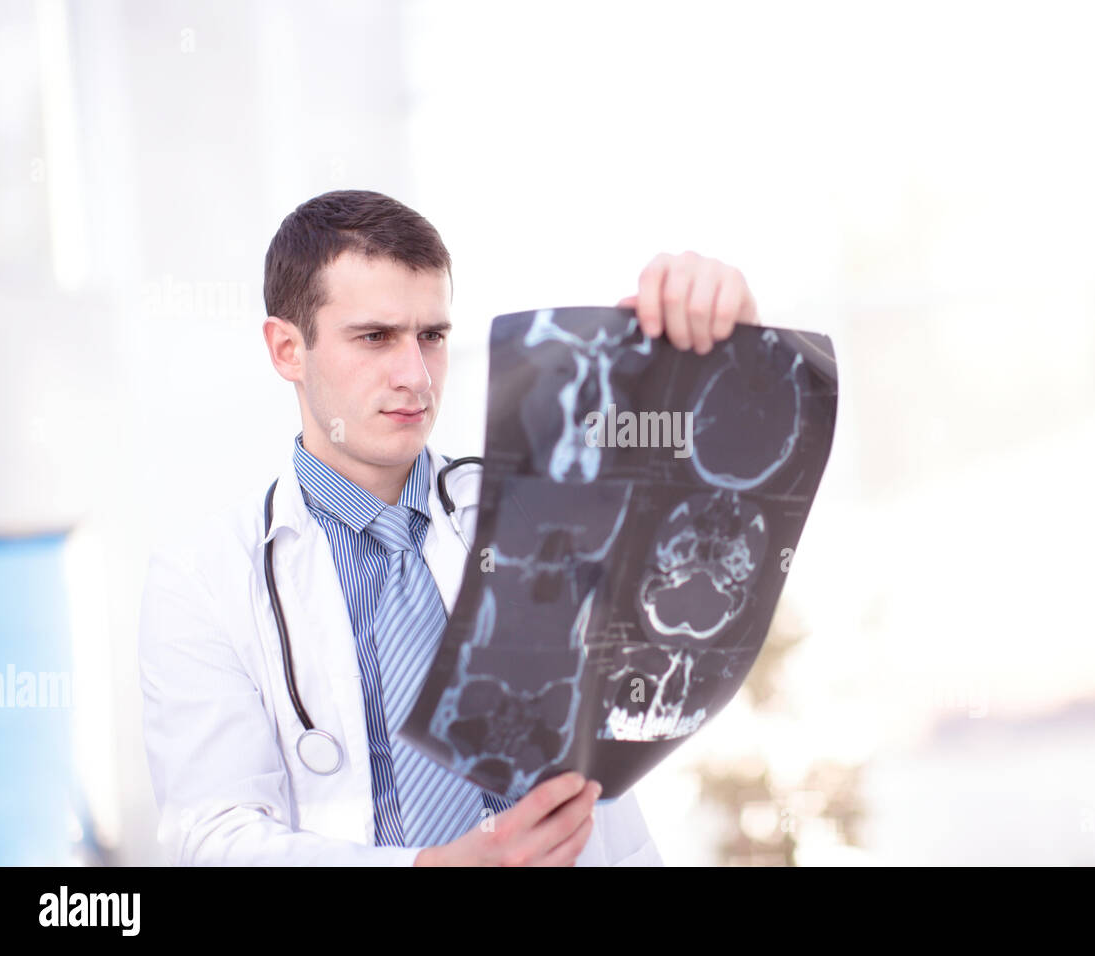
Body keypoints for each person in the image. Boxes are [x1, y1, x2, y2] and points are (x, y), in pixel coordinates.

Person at [138, 189, 760, 866]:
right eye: (375, 337)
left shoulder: (539, 504)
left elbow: (707, 526)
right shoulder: (202, 581)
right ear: (288, 348)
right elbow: (215, 838)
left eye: (431, 336)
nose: (416, 377)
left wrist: (729, 350)